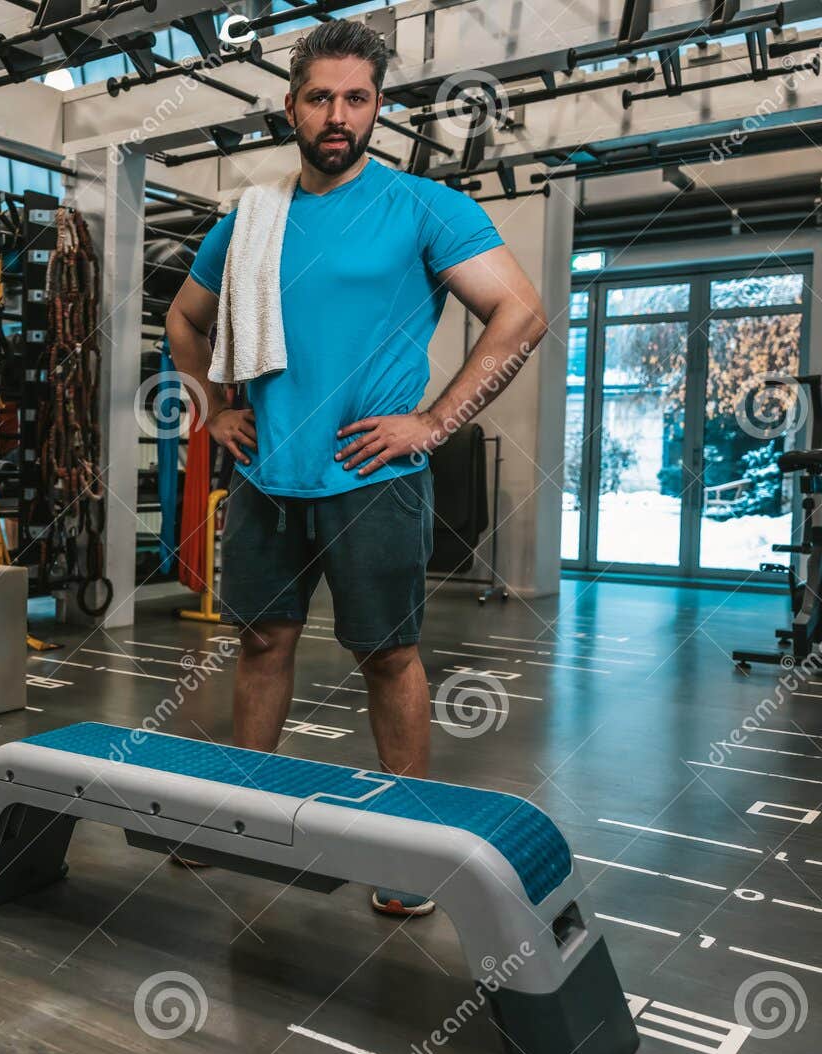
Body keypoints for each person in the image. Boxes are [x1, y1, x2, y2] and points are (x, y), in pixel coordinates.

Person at [164, 19, 547, 917]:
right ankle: (242, 819)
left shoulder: (424, 207)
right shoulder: (249, 219)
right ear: (290, 107)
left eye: (356, 98)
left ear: (378, 107)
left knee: (387, 654)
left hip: (371, 477)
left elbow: (518, 314)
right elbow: (187, 320)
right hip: (265, 474)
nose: (337, 115)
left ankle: (410, 850)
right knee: (261, 644)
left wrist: (434, 421)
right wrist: (214, 407)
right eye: (319, 97)